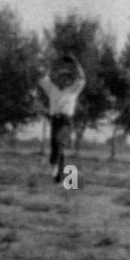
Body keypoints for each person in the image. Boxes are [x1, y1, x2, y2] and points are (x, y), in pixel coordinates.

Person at [38, 54, 85, 183]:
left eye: (67, 77)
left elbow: (82, 78)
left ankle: (54, 164)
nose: (64, 79)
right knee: (57, 147)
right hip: (55, 121)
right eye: (61, 77)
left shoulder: (73, 90)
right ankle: (58, 178)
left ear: (70, 80)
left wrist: (75, 63)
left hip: (66, 122)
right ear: (58, 78)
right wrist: (52, 64)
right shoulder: (52, 89)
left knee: (58, 144)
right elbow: (43, 78)